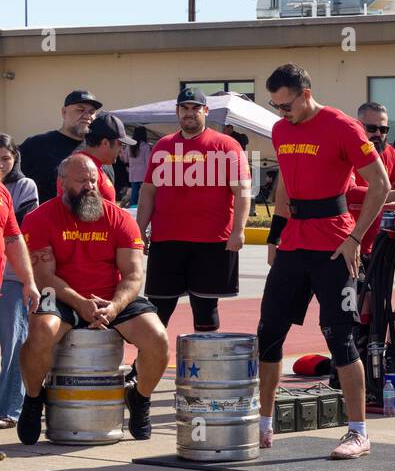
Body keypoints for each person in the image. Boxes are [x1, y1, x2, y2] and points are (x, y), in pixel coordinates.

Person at [259, 64, 392, 459]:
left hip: (335, 243)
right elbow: (284, 184)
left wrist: (355, 239)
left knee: (341, 338)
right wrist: (275, 234)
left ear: (305, 93)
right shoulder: (281, 130)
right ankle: (264, 425)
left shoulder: (343, 127)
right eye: (275, 106)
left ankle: (358, 432)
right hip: (294, 243)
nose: (281, 114)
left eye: (286, 105)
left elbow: (380, 185)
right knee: (268, 335)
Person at [17, 153, 168, 445]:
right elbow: (44, 277)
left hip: (111, 297)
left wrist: (114, 307)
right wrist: (80, 303)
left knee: (158, 338)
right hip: (61, 295)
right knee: (39, 332)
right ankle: (34, 399)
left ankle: (139, 397)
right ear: (61, 183)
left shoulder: (121, 219)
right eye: (81, 181)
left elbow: (134, 276)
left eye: (93, 180)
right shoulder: (39, 219)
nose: (89, 186)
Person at [136, 88, 252, 335]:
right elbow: (148, 191)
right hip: (167, 240)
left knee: (205, 309)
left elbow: (242, 191)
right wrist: (140, 230)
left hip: (212, 242)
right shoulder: (163, 146)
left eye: (195, 108)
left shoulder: (226, 145)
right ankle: (143, 369)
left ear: (206, 111)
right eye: (184, 108)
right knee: (158, 309)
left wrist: (238, 231)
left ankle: (207, 367)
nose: (189, 113)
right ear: (177, 112)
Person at [0, 136, 39, 428]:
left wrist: (28, 281)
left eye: (5, 158)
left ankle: (9, 408)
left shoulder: (8, 194)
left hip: (10, 279)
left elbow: (14, 238)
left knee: (13, 341)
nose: (1, 165)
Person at [347, 101, 395, 257]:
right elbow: (349, 193)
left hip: (370, 246)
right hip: (344, 242)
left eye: (384, 129)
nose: (378, 134)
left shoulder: (388, 152)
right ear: (358, 126)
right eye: (372, 128)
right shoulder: (347, 151)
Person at [19, 90, 102, 204]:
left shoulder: (97, 149)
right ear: (64, 112)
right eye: (80, 110)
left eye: (92, 112)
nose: (87, 116)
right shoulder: (37, 145)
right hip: (45, 219)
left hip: (87, 219)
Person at [56, 113, 133, 204]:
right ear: (105, 143)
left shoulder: (94, 165)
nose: (121, 150)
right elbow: (73, 211)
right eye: (120, 144)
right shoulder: (81, 168)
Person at [125, 126, 153, 207]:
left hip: (133, 173)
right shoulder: (146, 146)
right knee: (144, 193)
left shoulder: (129, 146)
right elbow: (148, 162)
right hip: (143, 173)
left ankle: (132, 208)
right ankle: (143, 207)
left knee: (134, 193)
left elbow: (126, 159)